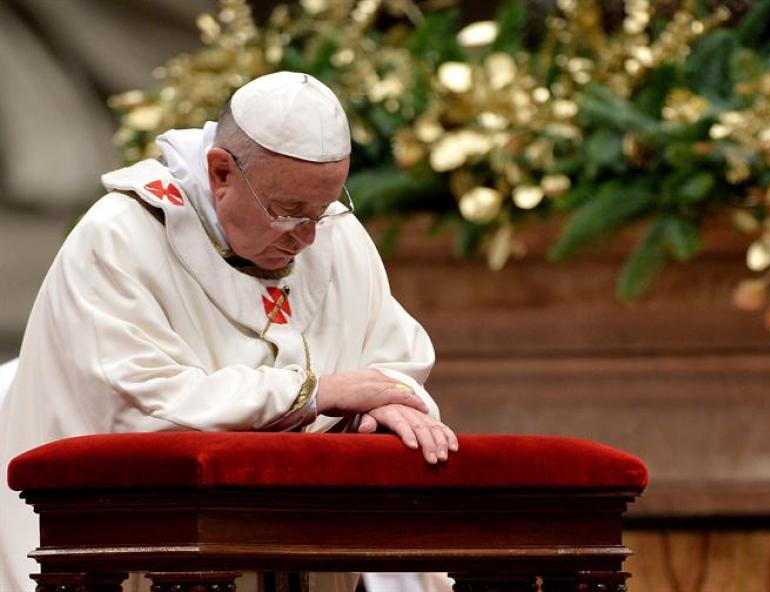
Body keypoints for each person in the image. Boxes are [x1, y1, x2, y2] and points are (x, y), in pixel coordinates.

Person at [0, 71, 458, 592]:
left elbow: (392, 361)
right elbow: (138, 402)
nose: (308, 238)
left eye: (323, 209)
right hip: (142, 554)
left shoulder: (336, 235)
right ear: (221, 173)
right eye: (288, 212)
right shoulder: (121, 237)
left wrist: (382, 407)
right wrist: (316, 393)